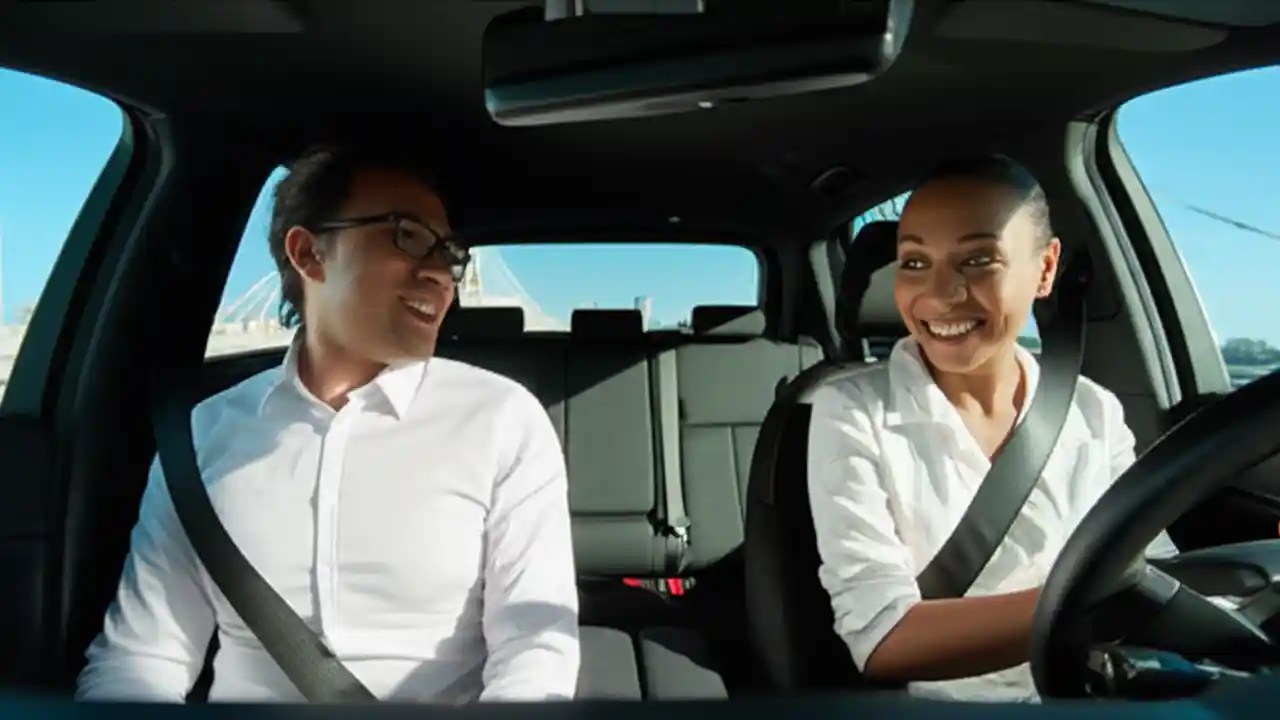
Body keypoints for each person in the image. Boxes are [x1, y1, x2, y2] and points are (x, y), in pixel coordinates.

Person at [76, 146, 580, 703]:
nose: (441, 274)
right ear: (310, 253)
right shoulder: (204, 435)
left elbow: (533, 653)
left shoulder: (502, 420)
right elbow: (144, 656)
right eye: (407, 236)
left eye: (450, 254)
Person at [807, 155, 1176, 702]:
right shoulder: (850, 411)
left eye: (978, 260)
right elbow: (881, 638)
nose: (940, 294)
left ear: (1046, 269)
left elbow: (1154, 568)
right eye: (913, 263)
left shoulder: (1092, 411)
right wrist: (1093, 599)